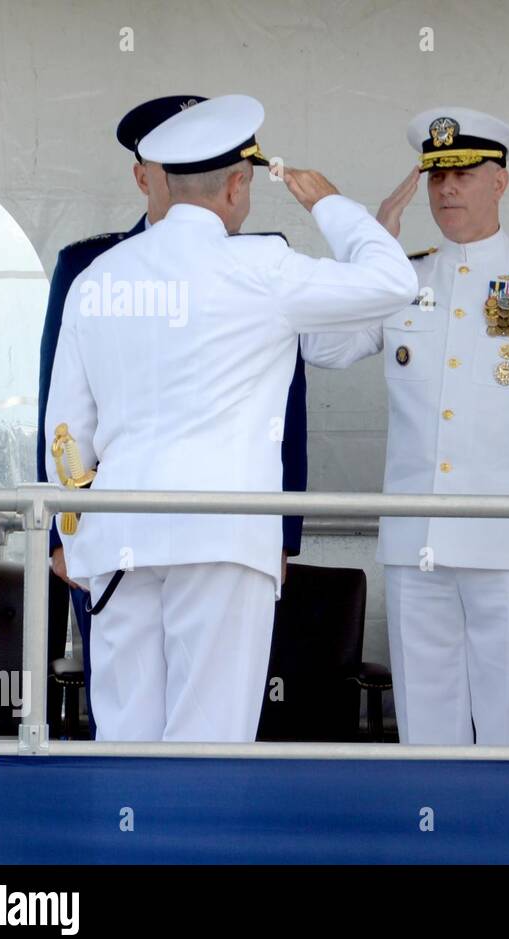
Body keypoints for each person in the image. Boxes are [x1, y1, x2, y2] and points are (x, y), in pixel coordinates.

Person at [44, 94, 417, 741]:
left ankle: (130, 840)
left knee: (124, 739)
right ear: (239, 184)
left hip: (118, 543)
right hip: (220, 538)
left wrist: (77, 538)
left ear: (162, 177)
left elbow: (66, 432)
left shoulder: (97, 277)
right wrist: (334, 206)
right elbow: (393, 283)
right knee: (207, 740)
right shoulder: (262, 268)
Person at [300, 107, 509, 745]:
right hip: (418, 541)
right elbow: (318, 347)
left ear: (500, 182)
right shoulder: (400, 279)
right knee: (425, 723)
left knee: (507, 721)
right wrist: (368, 251)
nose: (447, 190)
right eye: (436, 175)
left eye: (464, 174)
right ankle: (434, 832)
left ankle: (502, 838)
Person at [36, 95, 312, 738]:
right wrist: (65, 532)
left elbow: (287, 408)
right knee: (151, 721)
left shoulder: (257, 261)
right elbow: (62, 421)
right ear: (144, 176)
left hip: (214, 529)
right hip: (118, 535)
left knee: (176, 725)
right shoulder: (89, 265)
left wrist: (282, 529)